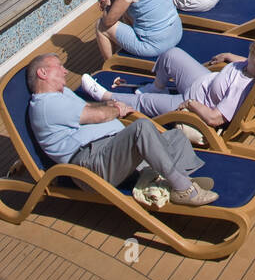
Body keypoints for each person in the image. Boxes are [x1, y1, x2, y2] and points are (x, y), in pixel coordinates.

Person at [28, 54, 217, 207]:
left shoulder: (61, 93)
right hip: (92, 165)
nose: (65, 70)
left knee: (176, 136)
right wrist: (117, 110)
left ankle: (160, 177)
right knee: (141, 128)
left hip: (111, 151)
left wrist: (106, 103)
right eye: (59, 66)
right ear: (43, 72)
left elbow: (87, 109)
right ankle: (183, 188)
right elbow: (98, 116)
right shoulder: (46, 104)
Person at [80, 31, 255, 128]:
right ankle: (157, 87)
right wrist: (231, 56)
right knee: (172, 54)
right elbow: (247, 64)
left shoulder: (242, 88)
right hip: (203, 82)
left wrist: (192, 104)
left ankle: (105, 95)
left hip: (193, 102)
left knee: (144, 102)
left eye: (250, 56)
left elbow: (215, 119)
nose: (247, 56)